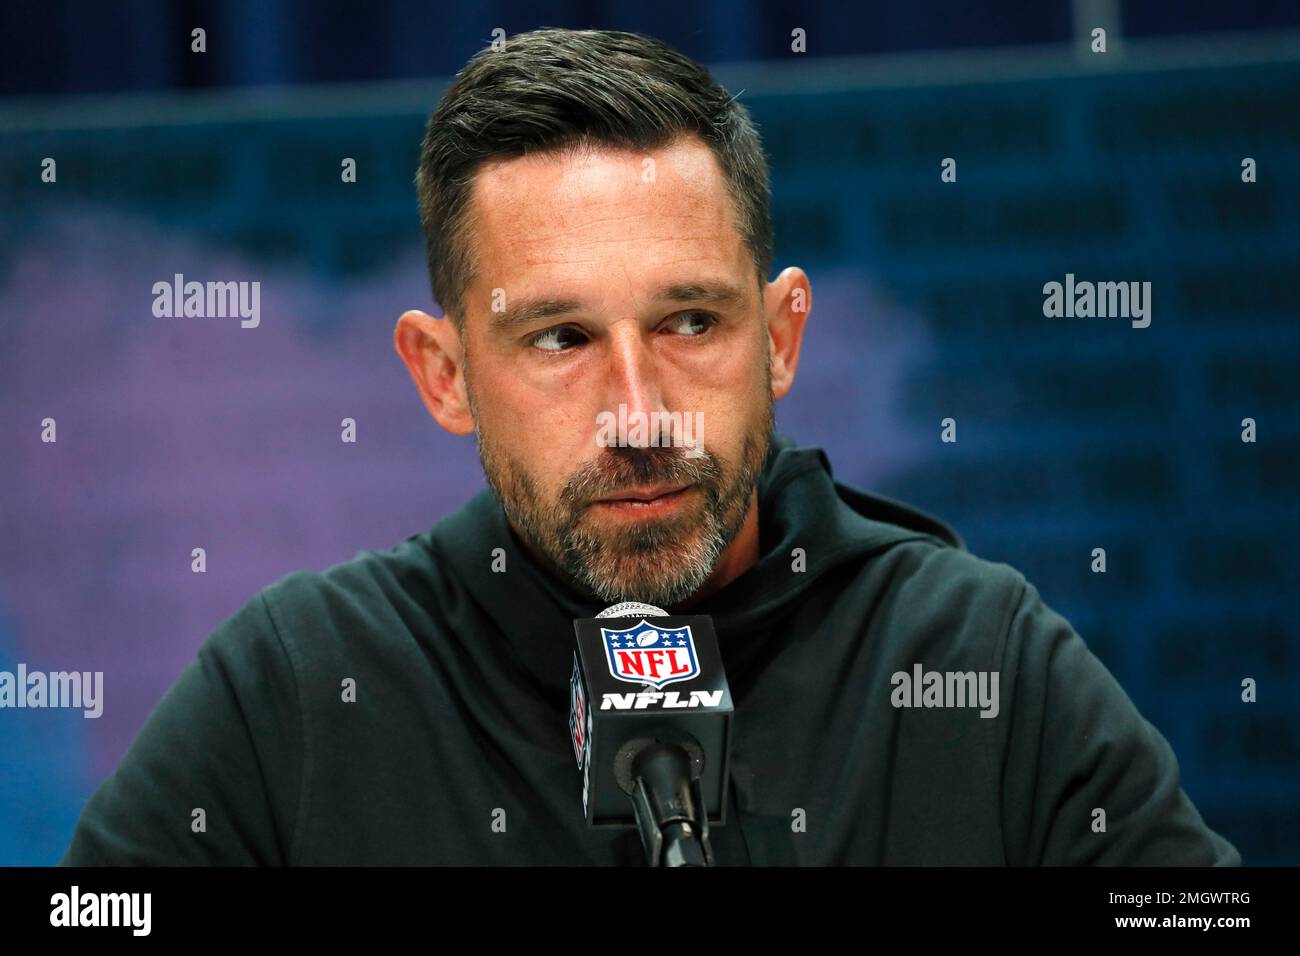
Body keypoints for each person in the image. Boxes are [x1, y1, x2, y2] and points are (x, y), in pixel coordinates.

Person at [60, 27, 1239, 866]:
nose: (638, 413)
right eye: (561, 336)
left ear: (779, 340)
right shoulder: (299, 690)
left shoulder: (979, 659)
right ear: (444, 373)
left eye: (689, 322)